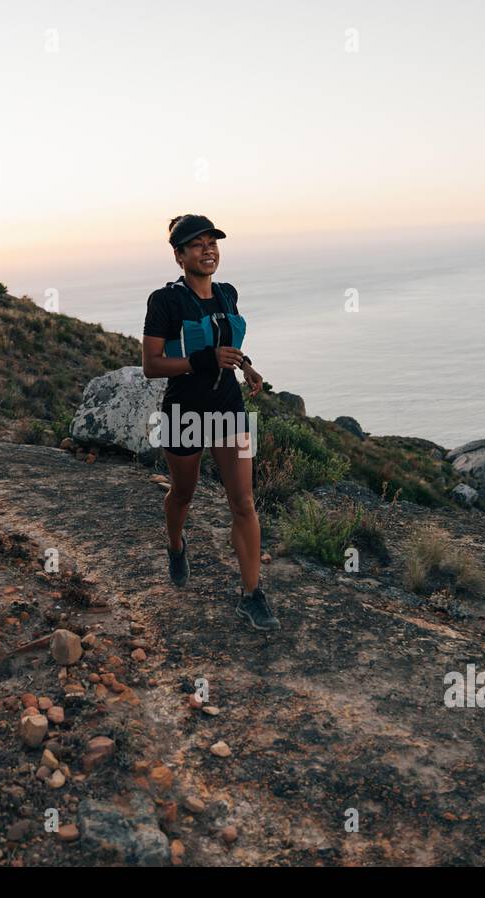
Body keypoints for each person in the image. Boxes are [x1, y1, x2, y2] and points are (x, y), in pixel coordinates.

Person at [141, 214, 280, 630]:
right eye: (197, 244)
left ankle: (251, 595)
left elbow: (227, 343)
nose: (208, 250)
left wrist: (247, 367)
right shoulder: (164, 301)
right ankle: (175, 544)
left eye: (212, 243)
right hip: (184, 411)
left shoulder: (227, 294)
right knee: (183, 493)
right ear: (179, 255)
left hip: (228, 408)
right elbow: (151, 365)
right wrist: (204, 361)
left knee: (244, 501)